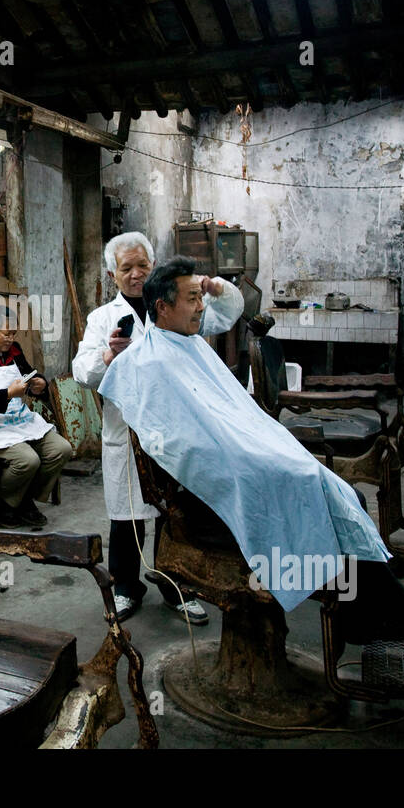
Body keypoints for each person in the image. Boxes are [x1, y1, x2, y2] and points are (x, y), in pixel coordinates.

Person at [98, 256, 404, 640]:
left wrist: (266, 451)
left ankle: (362, 611)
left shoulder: (189, 344)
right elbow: (179, 445)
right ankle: (396, 611)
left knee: (338, 491)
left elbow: (228, 408)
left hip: (243, 462)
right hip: (209, 493)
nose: (201, 307)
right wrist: (259, 462)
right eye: (192, 298)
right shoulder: (142, 362)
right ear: (163, 307)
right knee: (315, 488)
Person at [72, 232, 243, 624]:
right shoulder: (102, 319)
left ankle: (178, 588)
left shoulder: (175, 306)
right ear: (113, 274)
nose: (135, 275)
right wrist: (107, 355)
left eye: (142, 266)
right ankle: (125, 588)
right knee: (127, 518)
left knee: (175, 515)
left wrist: (217, 288)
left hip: (174, 434)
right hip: (127, 435)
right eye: (126, 268)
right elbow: (82, 372)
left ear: (153, 267)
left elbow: (225, 314)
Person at [0, 306, 72, 527]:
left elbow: (28, 375)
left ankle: (23, 499)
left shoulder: (14, 352)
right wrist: (6, 394)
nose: (10, 339)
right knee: (28, 460)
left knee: (61, 449)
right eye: (5, 334)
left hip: (17, 421)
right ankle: (2, 502)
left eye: (13, 334)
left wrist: (39, 384)